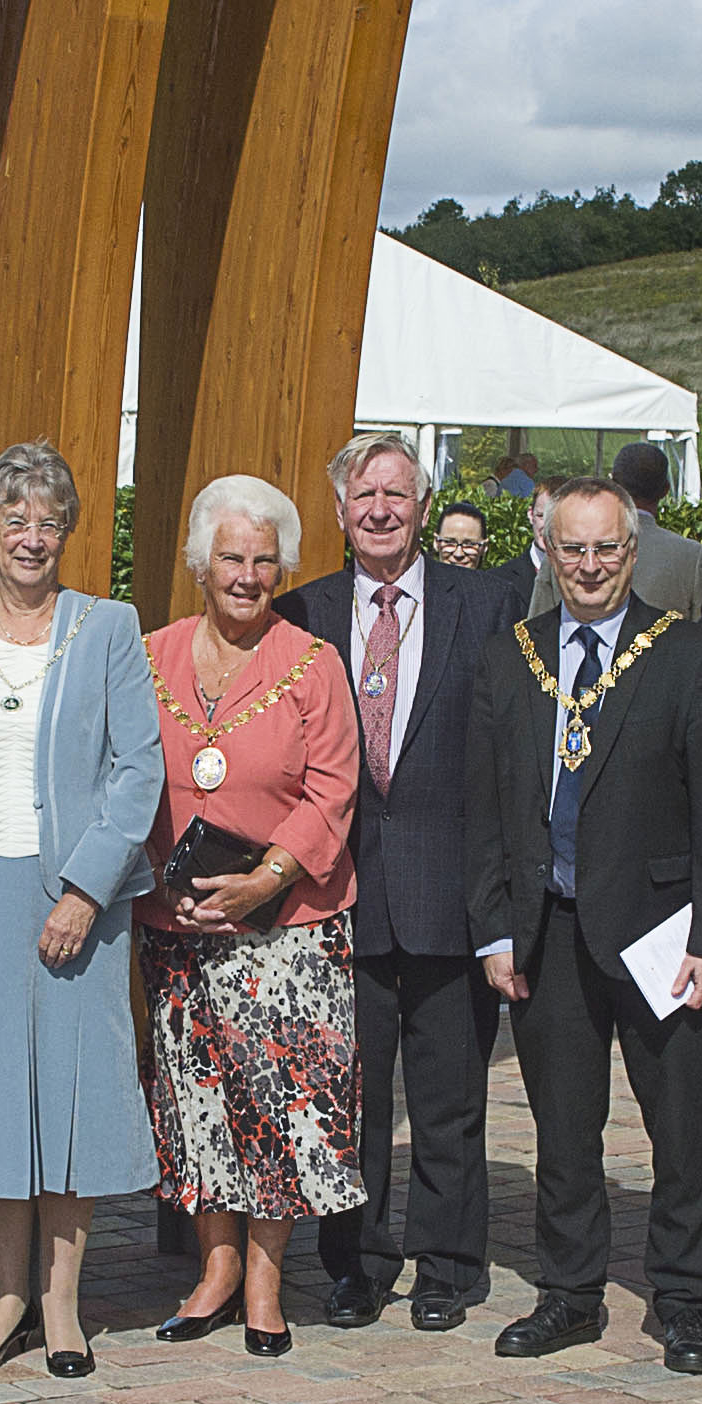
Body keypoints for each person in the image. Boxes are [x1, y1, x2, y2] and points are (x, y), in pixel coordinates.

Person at [467, 477, 702, 1373]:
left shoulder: (689, 654)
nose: (588, 566)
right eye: (572, 548)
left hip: (661, 934)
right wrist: (494, 929)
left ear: (633, 553)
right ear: (548, 551)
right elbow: (490, 808)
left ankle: (682, 1297)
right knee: (563, 1123)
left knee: (679, 1126)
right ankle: (570, 1292)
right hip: (547, 927)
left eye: (606, 549)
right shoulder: (512, 654)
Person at [278, 435, 528, 1330]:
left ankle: (449, 1264)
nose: (381, 508)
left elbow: (511, 752)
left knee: (450, 1095)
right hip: (339, 893)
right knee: (352, 1097)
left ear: (423, 506)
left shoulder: (489, 601)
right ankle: (355, 1262)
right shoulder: (301, 612)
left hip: (455, 891)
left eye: (397, 493)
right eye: (364, 495)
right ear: (341, 512)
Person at [0, 441, 162, 1377]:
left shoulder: (107, 626)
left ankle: (64, 1306)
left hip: (80, 890)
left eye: (48, 520)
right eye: (14, 519)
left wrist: (83, 885)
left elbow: (139, 767)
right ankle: (6, 1298)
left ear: (68, 531)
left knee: (70, 1089)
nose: (31, 536)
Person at [138, 477, 364, 1353]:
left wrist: (265, 880)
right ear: (201, 561)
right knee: (198, 1102)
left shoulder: (314, 663)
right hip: (178, 926)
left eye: (264, 559)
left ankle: (267, 1280)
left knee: (278, 1105)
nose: (247, 574)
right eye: (231, 556)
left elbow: (334, 789)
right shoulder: (150, 654)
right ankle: (216, 1269)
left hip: (289, 928)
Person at [528, 440, 702, 619]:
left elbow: (535, 630)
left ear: (613, 483)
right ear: (665, 490)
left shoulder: (566, 549)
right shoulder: (690, 557)